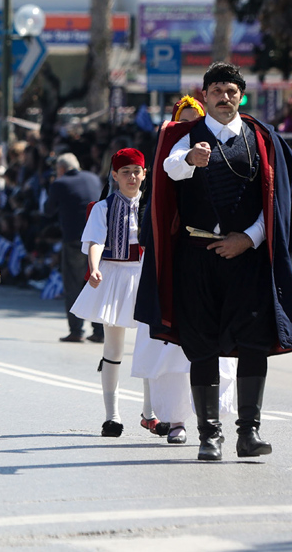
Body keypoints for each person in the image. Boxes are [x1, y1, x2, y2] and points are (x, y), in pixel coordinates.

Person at [136, 61, 292, 462]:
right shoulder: (183, 137)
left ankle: (249, 433)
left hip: (248, 258)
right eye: (217, 91)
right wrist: (189, 160)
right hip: (197, 258)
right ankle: (209, 436)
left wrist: (247, 239)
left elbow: (276, 203)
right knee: (201, 345)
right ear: (205, 95)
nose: (225, 98)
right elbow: (168, 170)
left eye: (232, 92)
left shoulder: (263, 139)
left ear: (241, 96)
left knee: (254, 343)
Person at [67, 149, 165, 438]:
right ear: (114, 175)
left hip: (144, 276)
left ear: (145, 174)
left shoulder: (154, 205)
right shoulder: (103, 207)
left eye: (136, 171)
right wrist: (95, 267)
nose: (131, 177)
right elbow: (95, 240)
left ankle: (151, 413)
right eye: (125, 172)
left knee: (149, 345)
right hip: (114, 275)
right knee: (113, 348)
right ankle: (112, 417)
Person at [45, 153, 104, 343]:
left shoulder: (60, 183)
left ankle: (76, 330)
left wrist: (53, 185)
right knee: (95, 282)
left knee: (73, 285)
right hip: (98, 238)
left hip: (74, 239)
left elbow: (48, 210)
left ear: (61, 169)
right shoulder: (93, 178)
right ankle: (99, 330)